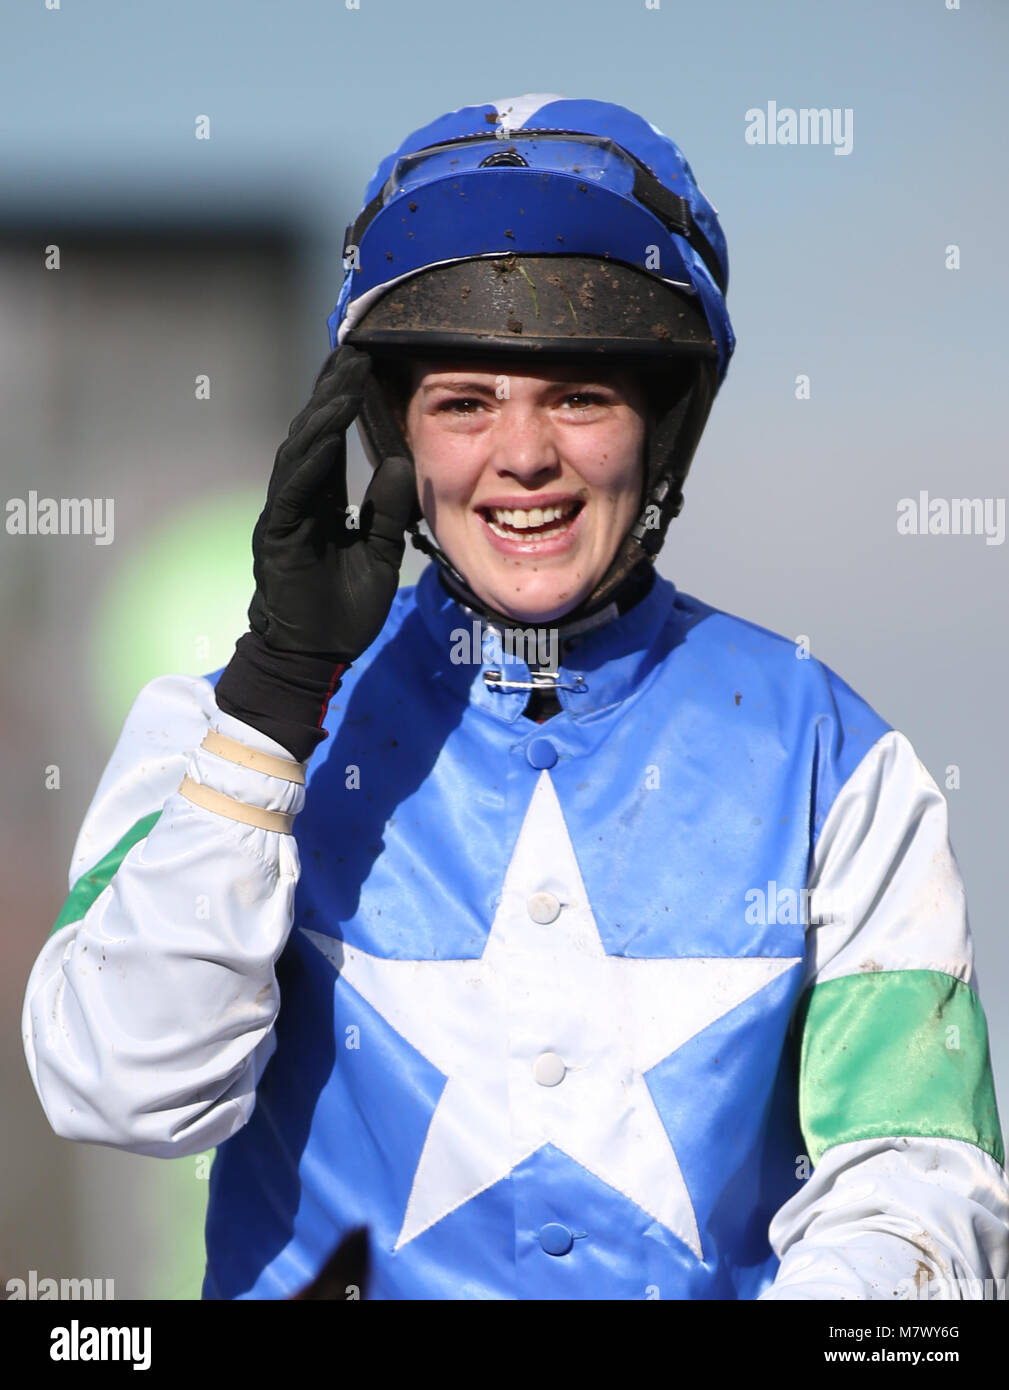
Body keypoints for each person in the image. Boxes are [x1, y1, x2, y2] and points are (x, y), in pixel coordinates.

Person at [23, 94, 1009, 1301]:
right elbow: (117, 1089)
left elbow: (916, 1187)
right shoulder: (217, 725)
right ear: (391, 430)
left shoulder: (839, 759)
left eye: (579, 396)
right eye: (464, 401)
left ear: (664, 428)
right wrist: (277, 699)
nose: (524, 455)